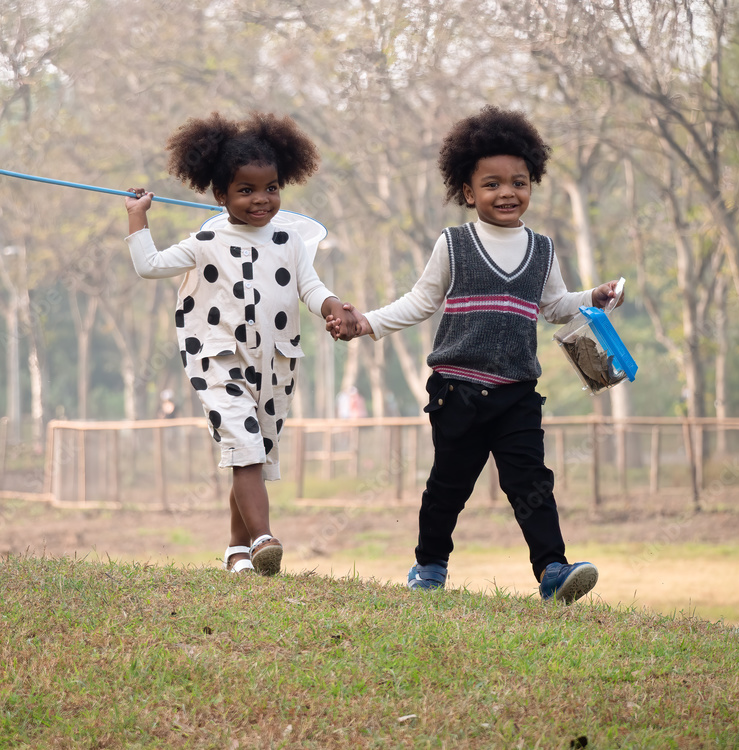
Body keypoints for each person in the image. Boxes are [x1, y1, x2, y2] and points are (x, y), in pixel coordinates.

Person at [329, 106, 623, 603]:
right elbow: (421, 302)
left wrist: (592, 297)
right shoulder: (454, 244)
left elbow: (553, 306)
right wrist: (366, 324)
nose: (507, 192)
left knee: (532, 484)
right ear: (468, 192)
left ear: (532, 185)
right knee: (449, 486)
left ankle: (553, 569)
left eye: (519, 181)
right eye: (491, 183)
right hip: (457, 392)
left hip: (517, 394)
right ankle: (429, 566)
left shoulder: (543, 249)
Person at [124, 111, 356, 576]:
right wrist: (137, 217)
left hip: (275, 365)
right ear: (220, 195)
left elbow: (310, 287)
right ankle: (264, 539)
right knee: (245, 444)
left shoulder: (290, 239)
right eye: (245, 190)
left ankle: (236, 549)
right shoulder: (206, 239)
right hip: (219, 361)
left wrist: (333, 307)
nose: (261, 200)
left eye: (270, 188)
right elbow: (148, 265)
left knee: (252, 451)